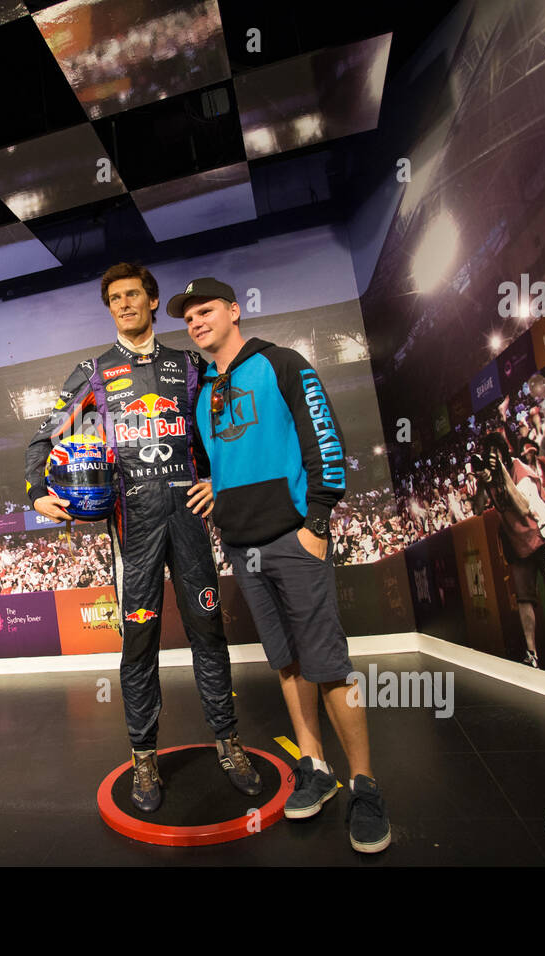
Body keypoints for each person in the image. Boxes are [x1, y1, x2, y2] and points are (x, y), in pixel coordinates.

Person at [24, 263, 259, 812]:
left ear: (153, 302)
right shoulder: (94, 371)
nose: (125, 304)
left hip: (190, 523)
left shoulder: (190, 365)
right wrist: (37, 490)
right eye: (114, 299)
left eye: (133, 295)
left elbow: (226, 435)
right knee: (139, 646)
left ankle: (228, 744)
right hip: (134, 530)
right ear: (110, 309)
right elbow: (43, 438)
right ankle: (144, 759)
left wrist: (215, 482)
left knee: (208, 634)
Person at [176, 277, 391, 853]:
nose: (196, 322)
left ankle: (365, 787)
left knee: (327, 664)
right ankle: (315, 768)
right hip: (242, 548)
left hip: (295, 541)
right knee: (287, 662)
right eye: (188, 316)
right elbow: (229, 460)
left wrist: (317, 523)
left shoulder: (282, 363)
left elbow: (324, 437)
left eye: (205, 311)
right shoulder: (202, 396)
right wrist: (216, 492)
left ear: (233, 310)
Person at [471, 431, 545, 681]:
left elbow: (523, 507)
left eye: (496, 457)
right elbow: (478, 509)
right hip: (520, 545)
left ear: (504, 455)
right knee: (524, 597)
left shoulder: (521, 471)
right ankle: (531, 654)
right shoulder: (490, 478)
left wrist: (501, 474)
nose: (492, 462)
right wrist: (483, 482)